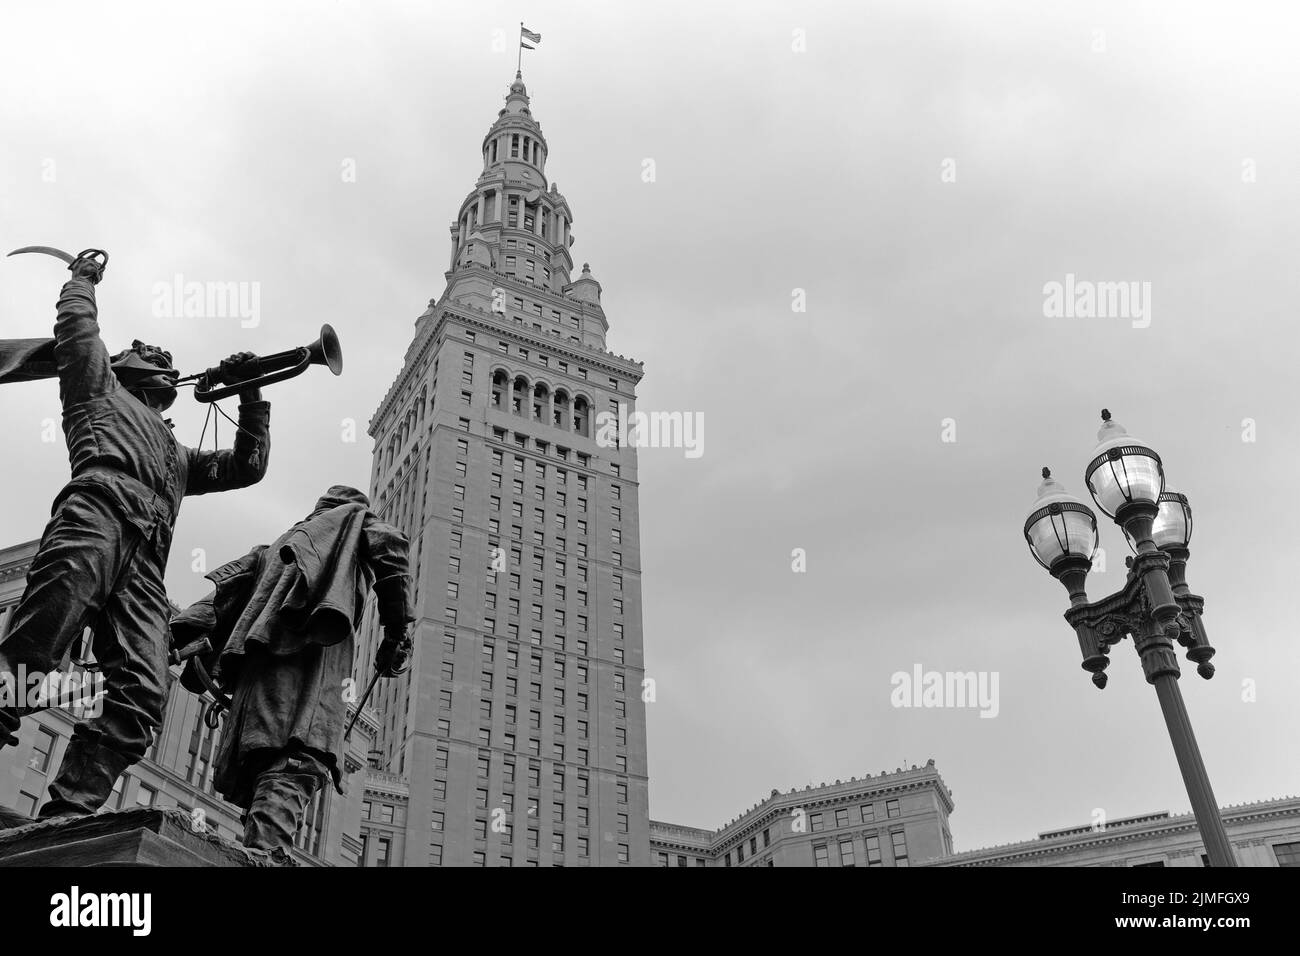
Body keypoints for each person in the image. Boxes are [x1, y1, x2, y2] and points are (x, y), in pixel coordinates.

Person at [0, 252, 272, 821]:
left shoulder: (177, 453)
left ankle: (69, 814)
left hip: (147, 559)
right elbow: (77, 330)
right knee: (34, 650)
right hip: (95, 516)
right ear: (122, 364)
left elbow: (247, 467)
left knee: (146, 689)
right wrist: (81, 280)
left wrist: (251, 397)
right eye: (152, 355)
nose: (167, 362)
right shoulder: (96, 388)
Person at [169, 485, 413, 852]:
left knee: (265, 779)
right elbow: (391, 546)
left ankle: (258, 852)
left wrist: (166, 644)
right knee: (293, 769)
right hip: (304, 685)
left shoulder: (271, 552)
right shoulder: (351, 523)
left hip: (254, 694)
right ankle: (262, 856)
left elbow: (213, 604)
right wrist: (396, 632)